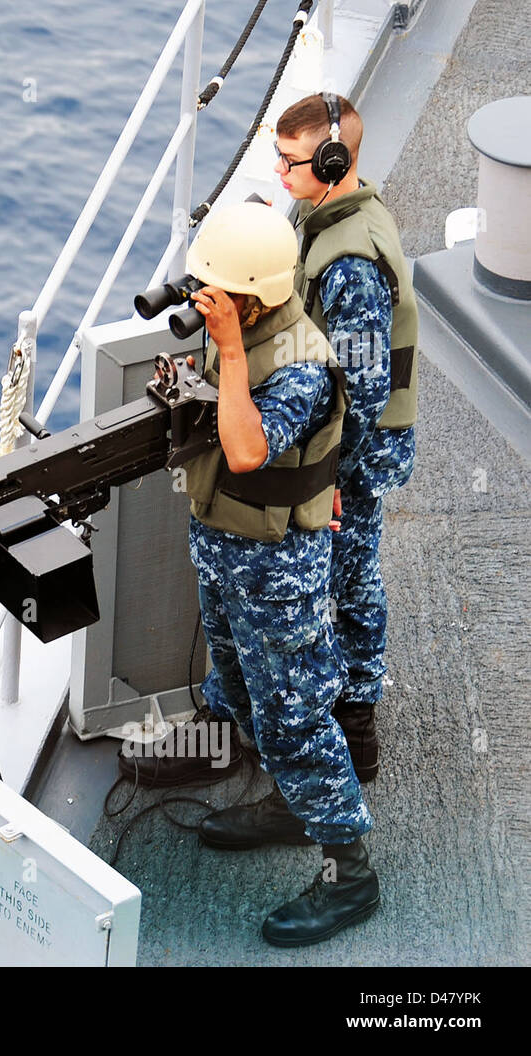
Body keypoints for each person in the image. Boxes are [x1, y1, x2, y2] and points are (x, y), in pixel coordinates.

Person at [180, 201, 379, 946]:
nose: (206, 308)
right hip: (226, 554)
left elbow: (249, 452)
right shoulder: (248, 328)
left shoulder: (297, 364)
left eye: (218, 297)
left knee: (296, 718)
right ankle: (290, 809)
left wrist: (229, 353)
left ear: (254, 300)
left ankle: (349, 875)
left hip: (276, 573)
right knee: (237, 689)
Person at [274, 92, 418, 784]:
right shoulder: (335, 209)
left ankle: (356, 727)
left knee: (349, 572)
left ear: (333, 161)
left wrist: (327, 478)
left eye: (291, 161)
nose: (279, 173)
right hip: (343, 438)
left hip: (356, 451)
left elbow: (362, 394)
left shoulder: (350, 265)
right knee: (344, 570)